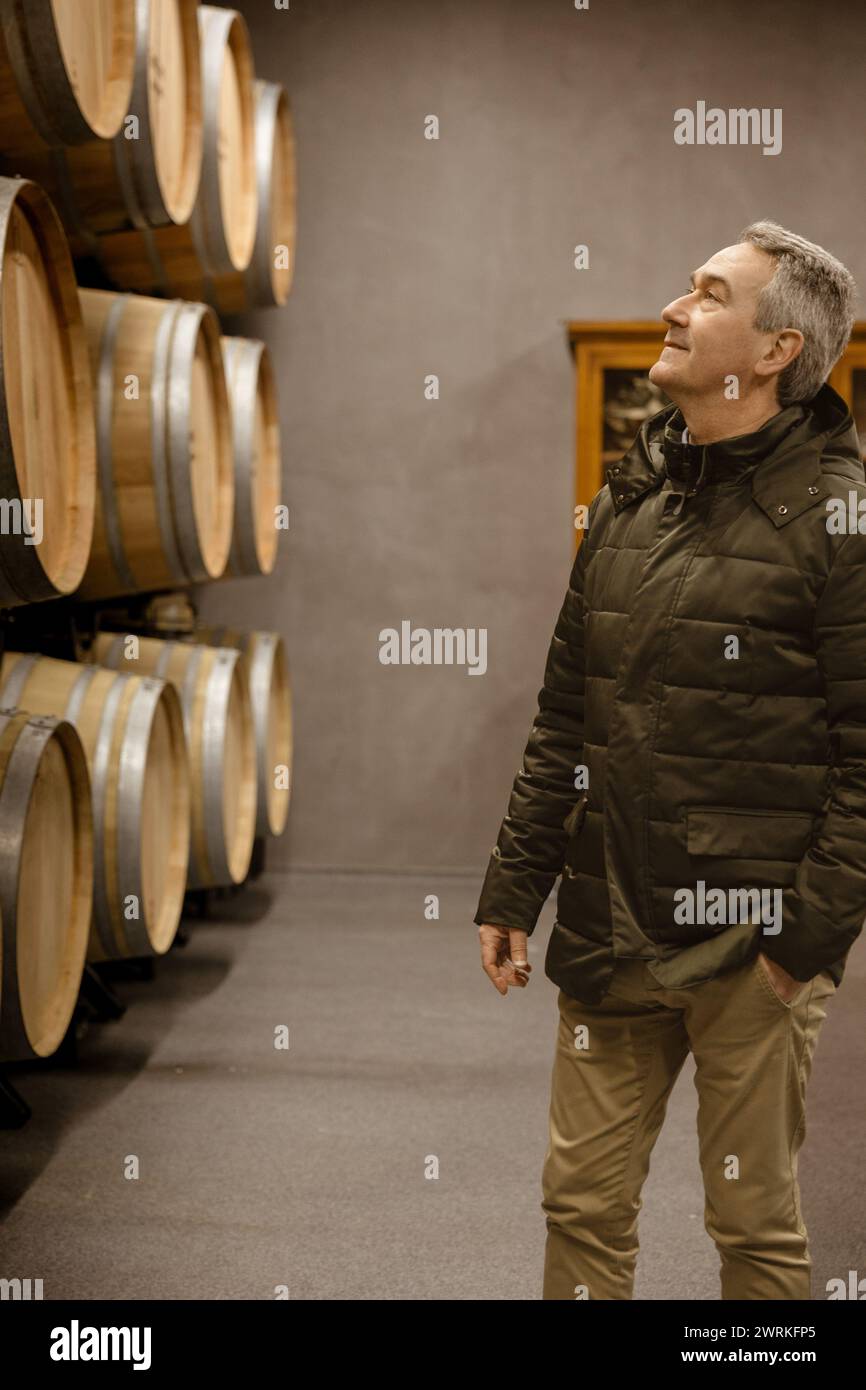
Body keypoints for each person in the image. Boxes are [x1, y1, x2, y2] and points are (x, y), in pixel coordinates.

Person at [474, 220, 866, 1300]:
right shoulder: (627, 499)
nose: (671, 307)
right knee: (580, 1205)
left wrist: (805, 936)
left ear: (773, 350)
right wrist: (517, 882)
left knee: (750, 1222)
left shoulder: (841, 521)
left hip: (751, 940)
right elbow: (566, 715)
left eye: (706, 294)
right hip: (611, 919)